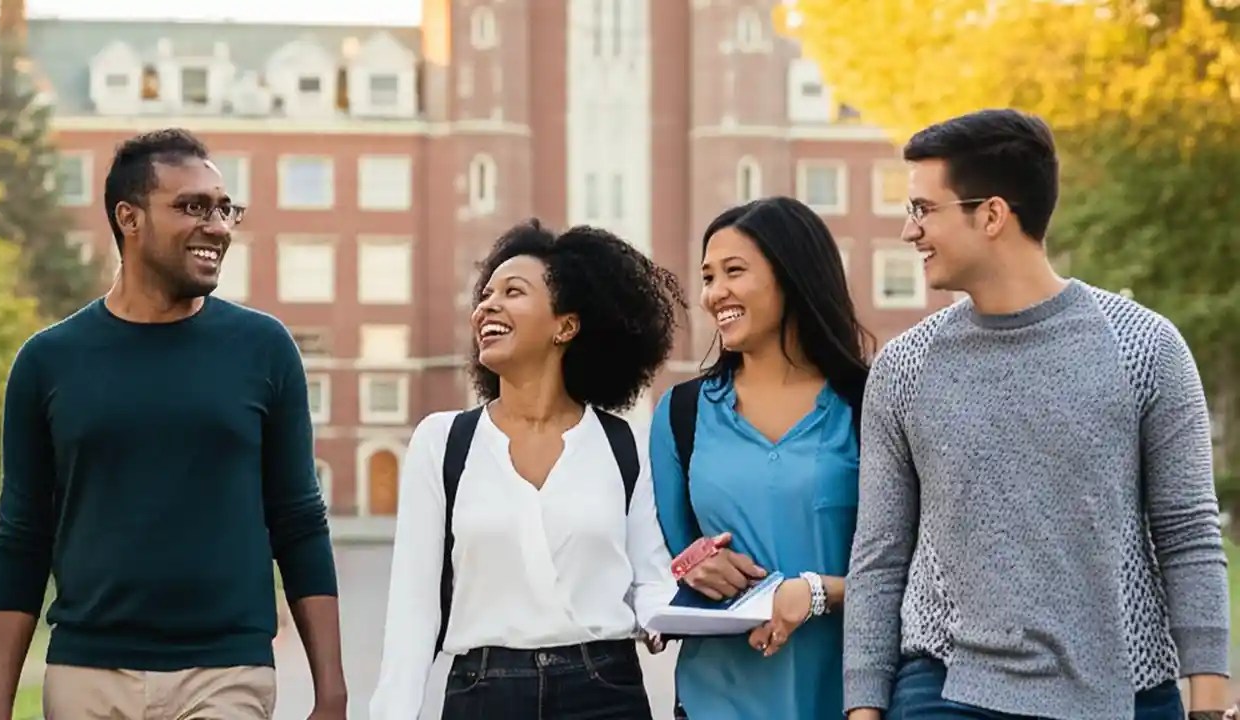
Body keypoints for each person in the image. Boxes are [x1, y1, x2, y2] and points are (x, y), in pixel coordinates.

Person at [843, 108, 1230, 720]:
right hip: (946, 690)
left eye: (923, 209)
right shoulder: (904, 367)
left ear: (992, 214)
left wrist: (1209, 703)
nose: (909, 230)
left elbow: (1187, 531)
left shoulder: (1144, 347)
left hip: (1124, 691)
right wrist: (863, 708)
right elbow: (880, 553)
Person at [0, 129, 346, 720]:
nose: (218, 226)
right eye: (192, 207)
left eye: (224, 208)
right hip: (88, 674)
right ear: (129, 218)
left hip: (225, 671)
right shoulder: (47, 363)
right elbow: (22, 538)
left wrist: (332, 690)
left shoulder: (265, 350)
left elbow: (299, 521)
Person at [369, 220, 686, 720]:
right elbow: (413, 611)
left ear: (566, 325)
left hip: (605, 691)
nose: (487, 306)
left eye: (512, 292)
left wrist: (690, 608)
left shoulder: (622, 444)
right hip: (483, 695)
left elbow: (651, 580)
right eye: (485, 294)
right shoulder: (443, 442)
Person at [648, 196, 873, 720]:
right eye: (708, 277)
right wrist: (690, 566)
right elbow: (657, 560)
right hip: (715, 699)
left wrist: (819, 592)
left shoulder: (869, 404)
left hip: (847, 701)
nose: (713, 294)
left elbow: (916, 570)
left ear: (792, 276)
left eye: (734, 271)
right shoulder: (680, 414)